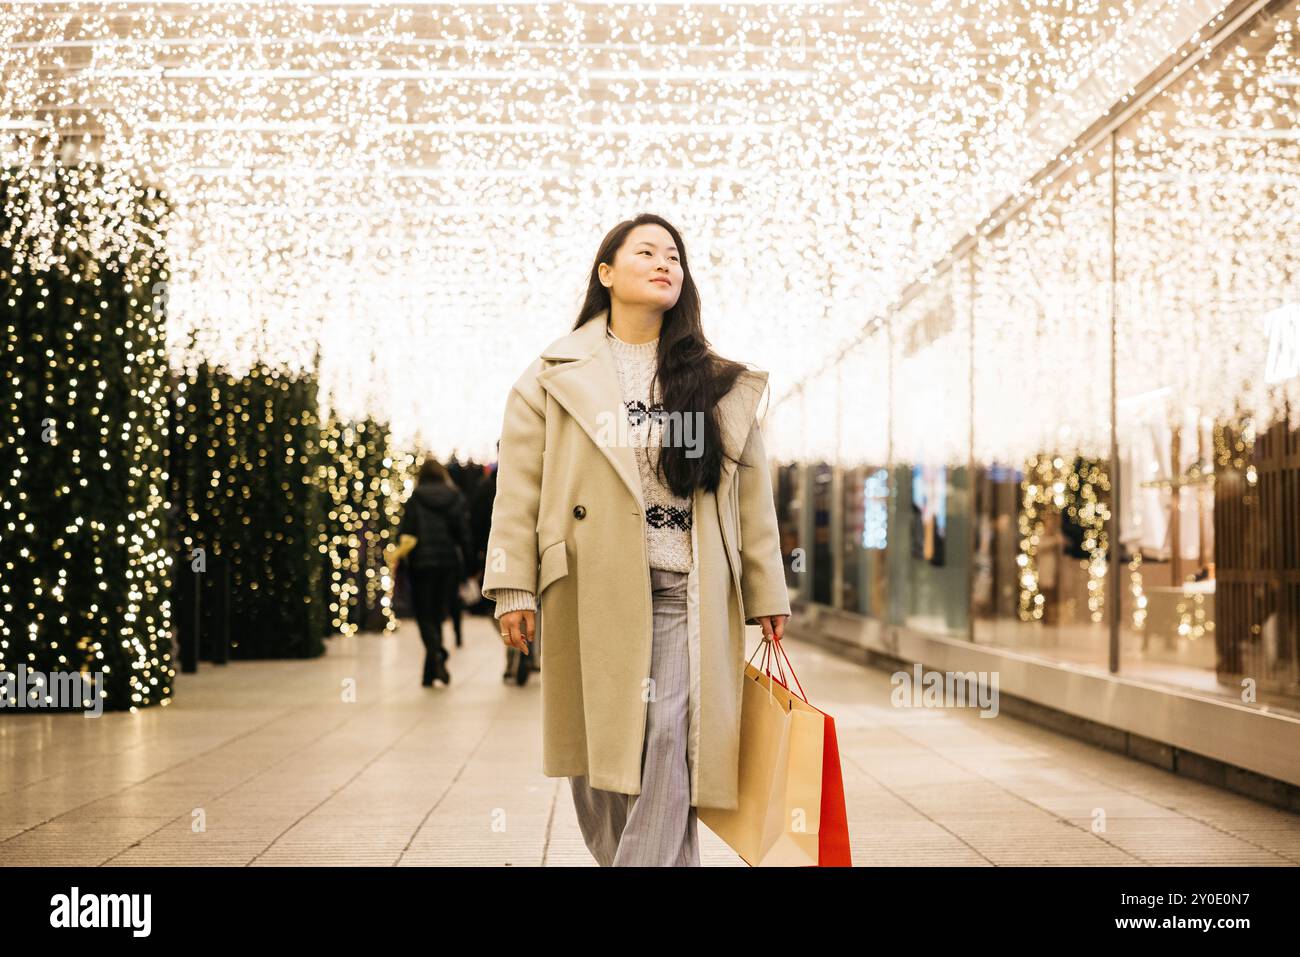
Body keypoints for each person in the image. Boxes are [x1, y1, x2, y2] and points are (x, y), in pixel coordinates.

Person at [481, 213, 791, 866]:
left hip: (687, 591)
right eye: (646, 252)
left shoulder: (714, 381)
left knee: (670, 741)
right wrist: (514, 584)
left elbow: (750, 496)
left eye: (675, 256)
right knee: (601, 765)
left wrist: (766, 589)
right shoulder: (551, 376)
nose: (665, 263)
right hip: (592, 587)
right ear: (606, 274)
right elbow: (520, 487)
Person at [388, 457, 472, 687]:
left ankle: (436, 653)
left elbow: (406, 532)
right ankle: (432, 667)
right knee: (438, 614)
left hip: (421, 564)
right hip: (448, 564)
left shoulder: (416, 498)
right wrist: (471, 564)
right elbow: (462, 532)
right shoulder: (454, 496)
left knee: (424, 615)